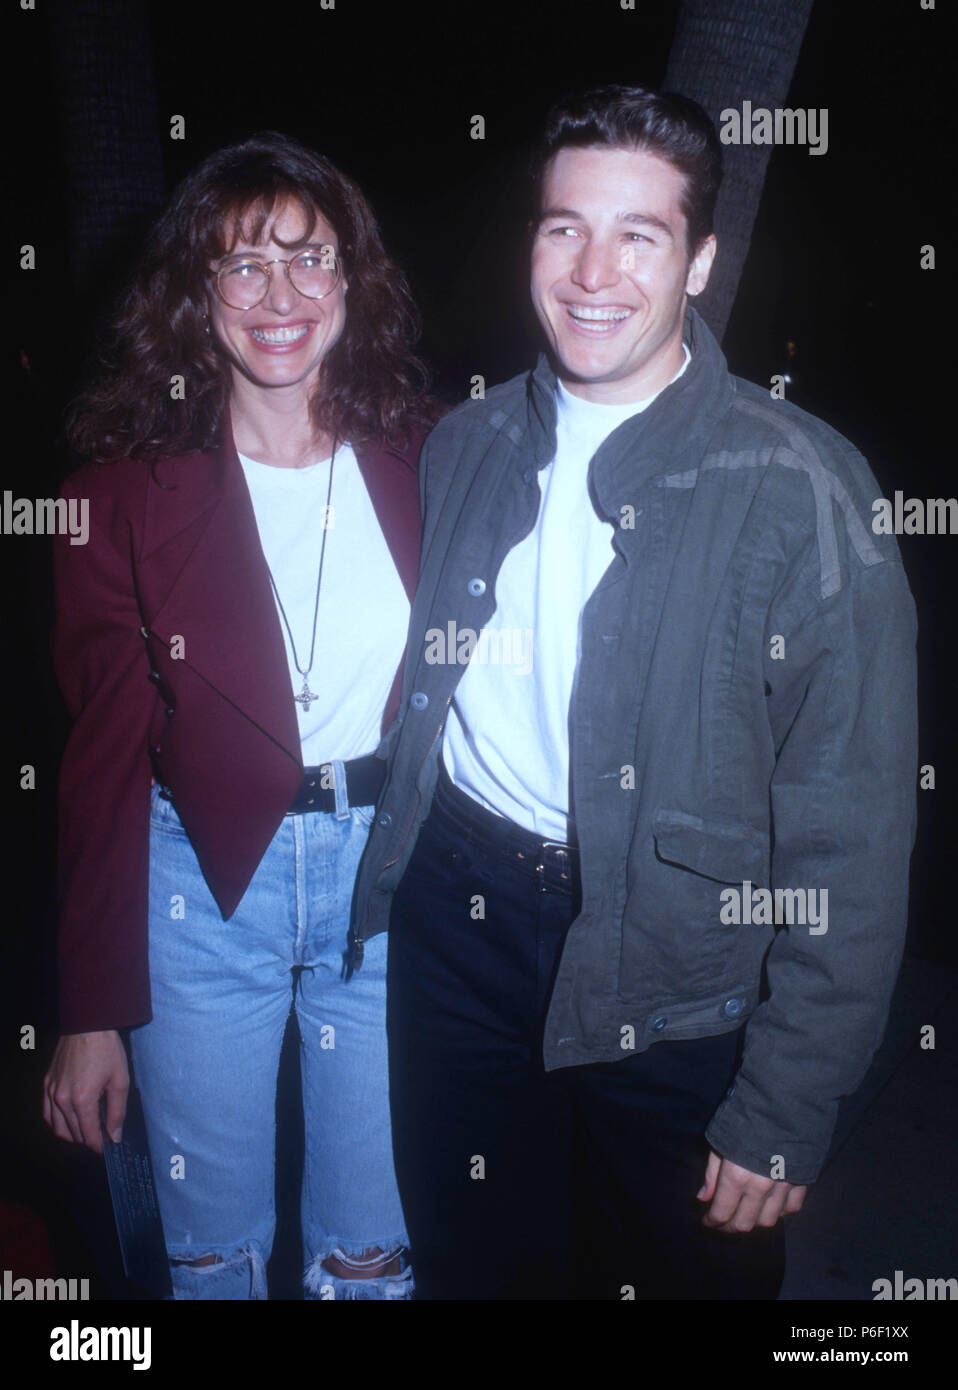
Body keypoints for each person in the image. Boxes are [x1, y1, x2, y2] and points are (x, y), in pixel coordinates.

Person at [347, 85, 918, 1299]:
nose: (591, 269)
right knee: (481, 1261)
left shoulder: (803, 487)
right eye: (563, 227)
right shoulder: (469, 442)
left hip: (678, 974)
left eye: (639, 234)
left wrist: (787, 1098)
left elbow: (853, 835)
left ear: (700, 258)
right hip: (463, 922)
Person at [42, 131, 431, 1300]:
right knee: (209, 1254)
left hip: (390, 884)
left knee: (371, 1254)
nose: (281, 297)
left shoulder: (431, 457)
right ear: (194, 295)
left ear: (351, 282)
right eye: (242, 265)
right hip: (199, 892)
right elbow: (99, 757)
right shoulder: (107, 495)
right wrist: (90, 1009)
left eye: (310, 260)